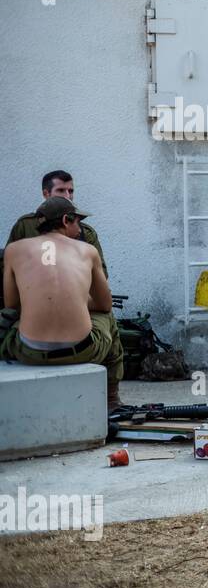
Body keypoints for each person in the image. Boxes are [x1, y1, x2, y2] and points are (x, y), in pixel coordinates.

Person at [0, 198, 124, 410]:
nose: (80, 228)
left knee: (8, 322)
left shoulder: (13, 250)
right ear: (67, 220)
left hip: (29, 351)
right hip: (83, 350)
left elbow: (12, 304)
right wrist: (78, 299)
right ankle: (112, 399)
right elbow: (105, 305)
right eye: (78, 221)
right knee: (108, 318)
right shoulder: (87, 250)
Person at [3, 170, 107, 307]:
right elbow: (8, 270)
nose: (68, 196)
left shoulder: (84, 232)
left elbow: (101, 275)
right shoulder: (25, 226)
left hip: (78, 302)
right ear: (46, 194)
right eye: (61, 190)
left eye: (71, 191)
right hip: (30, 302)